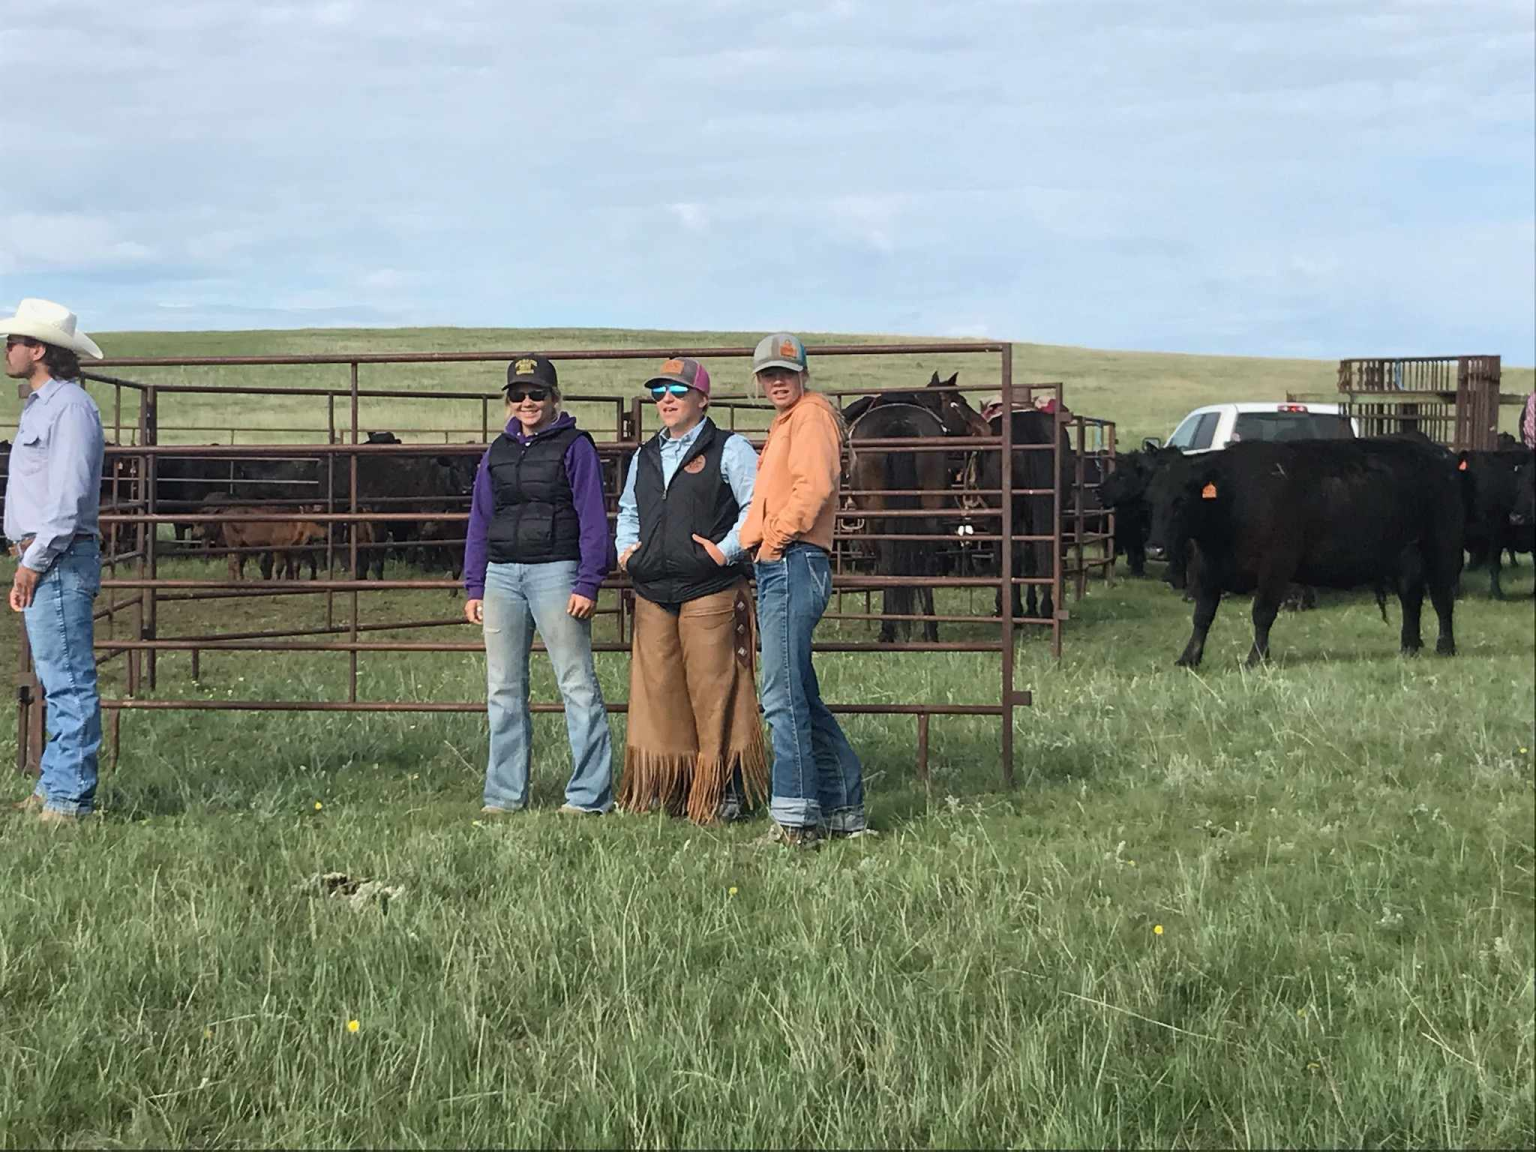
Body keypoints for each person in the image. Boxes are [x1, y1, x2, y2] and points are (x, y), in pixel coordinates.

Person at [614, 356, 766, 825]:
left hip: (711, 588)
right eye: (660, 392)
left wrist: (725, 551)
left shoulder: (730, 447)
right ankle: (673, 787)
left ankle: (724, 789)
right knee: (660, 691)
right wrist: (627, 552)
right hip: (654, 587)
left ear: (703, 399)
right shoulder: (646, 454)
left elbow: (756, 505)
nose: (666, 401)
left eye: (677, 392)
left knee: (716, 689)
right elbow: (628, 510)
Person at [461, 355, 614, 815]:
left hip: (556, 570)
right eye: (518, 394)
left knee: (576, 682)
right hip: (502, 576)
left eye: (536, 394)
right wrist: (474, 584)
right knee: (502, 687)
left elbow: (592, 516)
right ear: (507, 401)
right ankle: (504, 795)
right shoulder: (497, 452)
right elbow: (480, 518)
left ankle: (589, 796)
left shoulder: (575, 446)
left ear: (554, 398)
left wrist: (589, 580)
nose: (527, 402)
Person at [739, 333, 871, 848]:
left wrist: (772, 540)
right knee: (799, 693)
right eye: (769, 374)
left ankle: (795, 818)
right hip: (787, 560)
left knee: (781, 694)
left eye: (786, 374)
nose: (777, 381)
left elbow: (814, 486)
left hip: (793, 560)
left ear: (803, 376)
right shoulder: (792, 420)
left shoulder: (812, 417)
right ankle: (843, 806)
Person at [2, 299, 107, 825]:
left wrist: (33, 560)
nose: (8, 350)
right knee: (56, 675)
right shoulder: (43, 406)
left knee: (66, 678)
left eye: (15, 342)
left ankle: (69, 800)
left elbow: (66, 500)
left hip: (57, 557)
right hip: (46, 556)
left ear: (38, 350)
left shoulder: (69, 408)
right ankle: (56, 785)